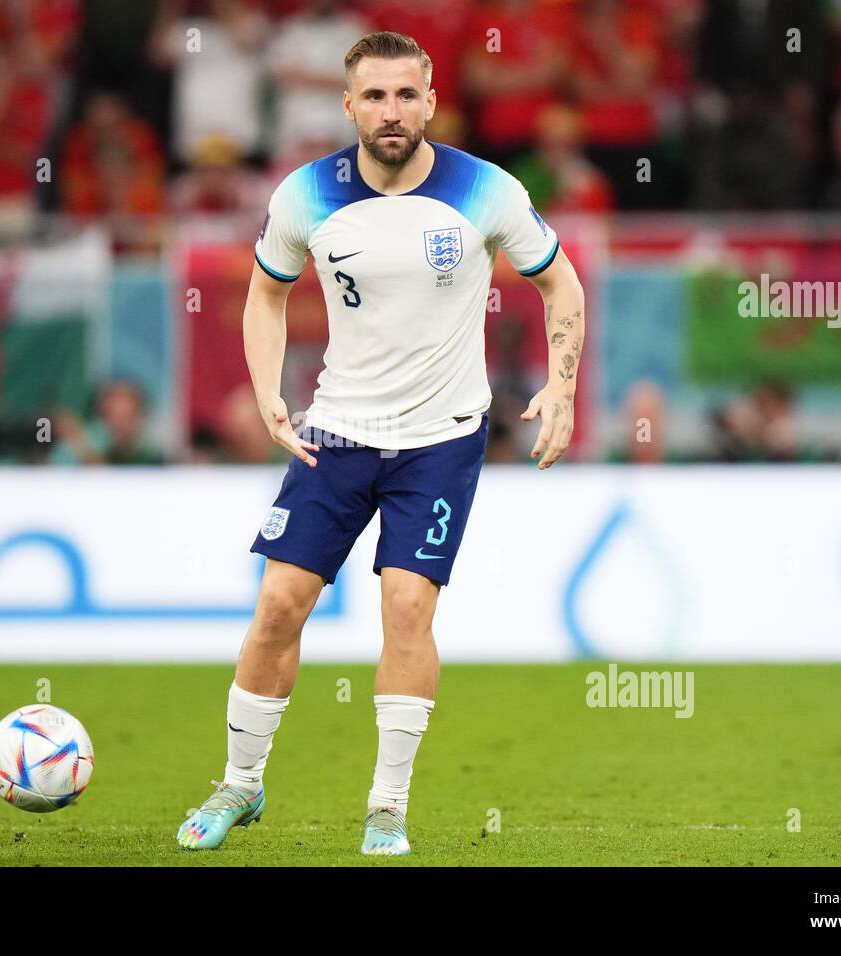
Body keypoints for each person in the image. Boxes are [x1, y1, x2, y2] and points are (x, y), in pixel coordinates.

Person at [175, 31, 585, 857]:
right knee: (278, 607)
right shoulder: (304, 196)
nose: (391, 112)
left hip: (441, 440)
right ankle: (240, 786)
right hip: (338, 431)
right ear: (349, 105)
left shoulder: (487, 191)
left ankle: (387, 809)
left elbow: (559, 281)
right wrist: (267, 394)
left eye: (406, 95)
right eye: (375, 97)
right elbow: (264, 296)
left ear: (431, 100)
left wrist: (562, 386)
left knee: (407, 608)